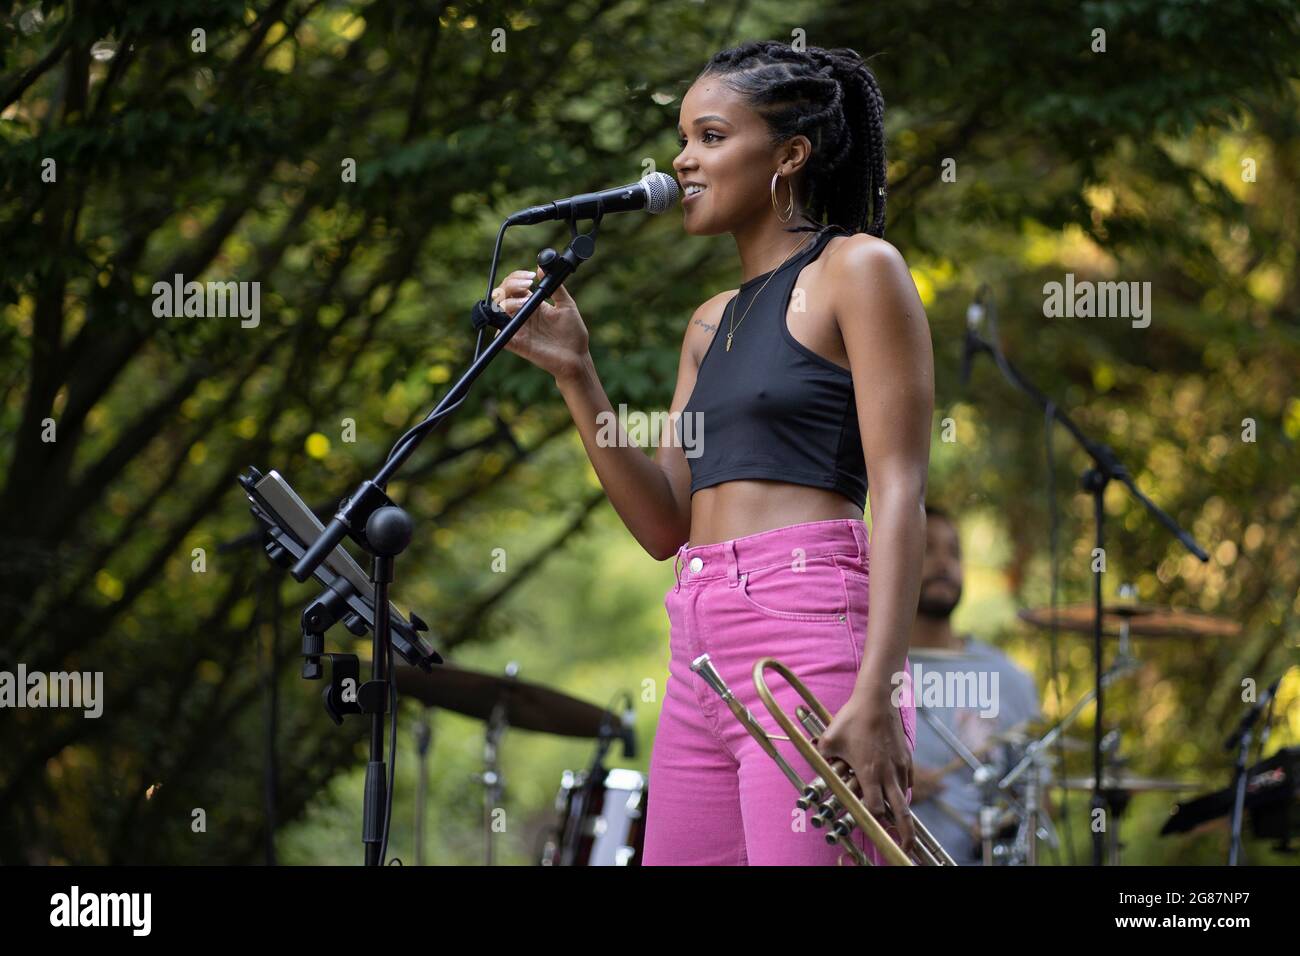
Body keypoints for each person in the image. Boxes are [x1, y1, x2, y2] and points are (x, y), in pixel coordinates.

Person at [490, 41, 933, 865]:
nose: (682, 161)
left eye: (710, 137)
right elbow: (664, 522)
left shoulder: (858, 270)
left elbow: (902, 486)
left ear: (789, 155)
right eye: (682, 141)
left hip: (810, 626)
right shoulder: (708, 321)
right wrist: (575, 372)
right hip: (697, 640)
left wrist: (880, 688)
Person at [908, 505, 1042, 864]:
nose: (943, 563)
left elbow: (1036, 803)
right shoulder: (865, 670)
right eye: (926, 549)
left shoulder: (1009, 678)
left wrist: (1005, 824)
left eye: (954, 552)